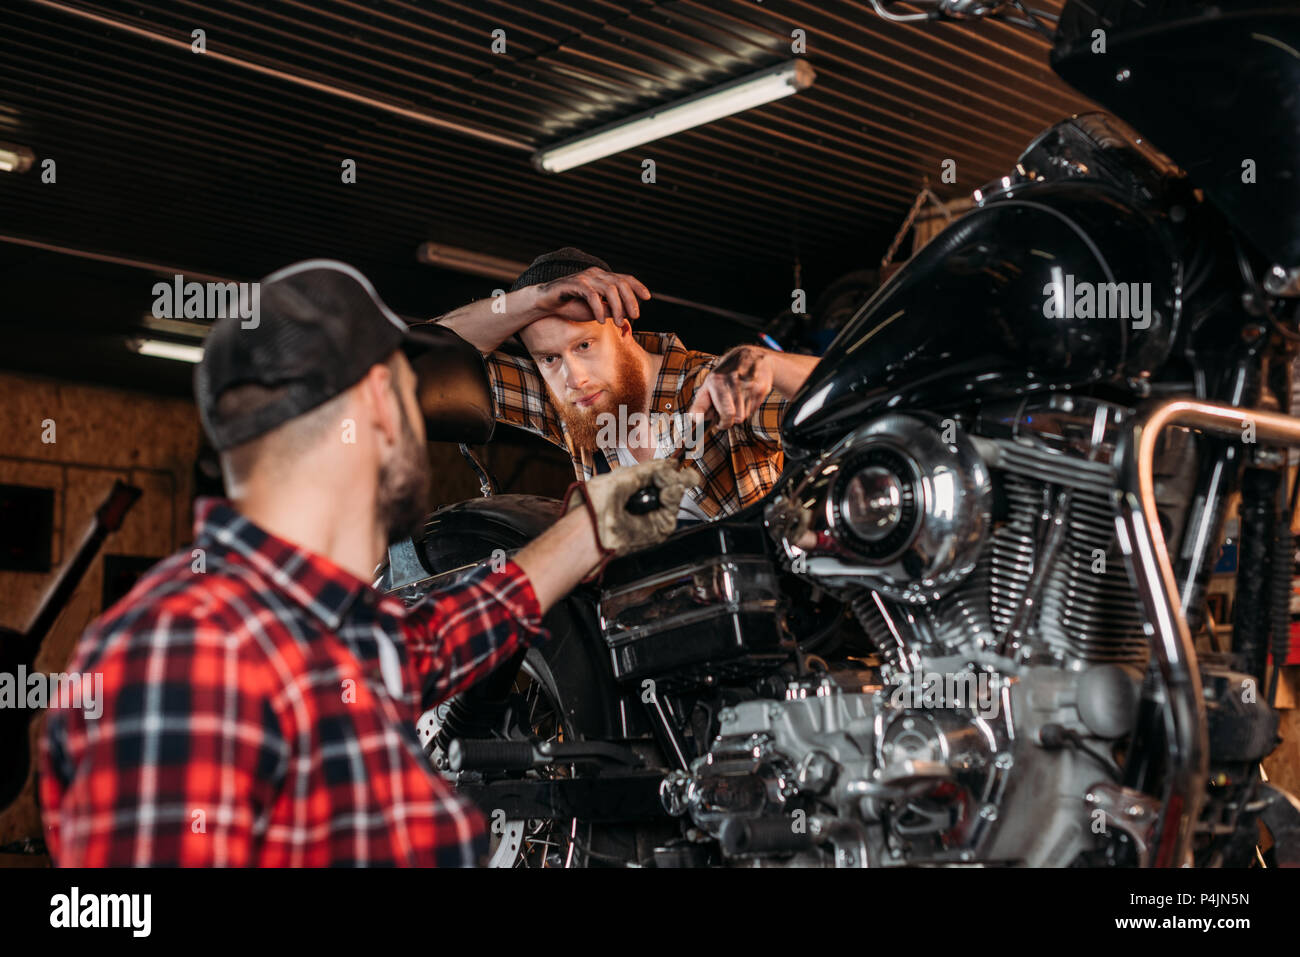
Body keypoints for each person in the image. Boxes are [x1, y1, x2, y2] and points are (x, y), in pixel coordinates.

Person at [39, 259, 697, 867]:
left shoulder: (320, 630)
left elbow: (449, 632)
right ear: (379, 404)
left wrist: (598, 525)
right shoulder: (191, 651)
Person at [432, 247, 820, 521]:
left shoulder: (716, 388)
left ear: (623, 328)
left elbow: (849, 393)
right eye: (549, 358)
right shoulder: (568, 404)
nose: (574, 377)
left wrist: (768, 363)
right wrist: (530, 301)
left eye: (584, 345)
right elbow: (427, 358)